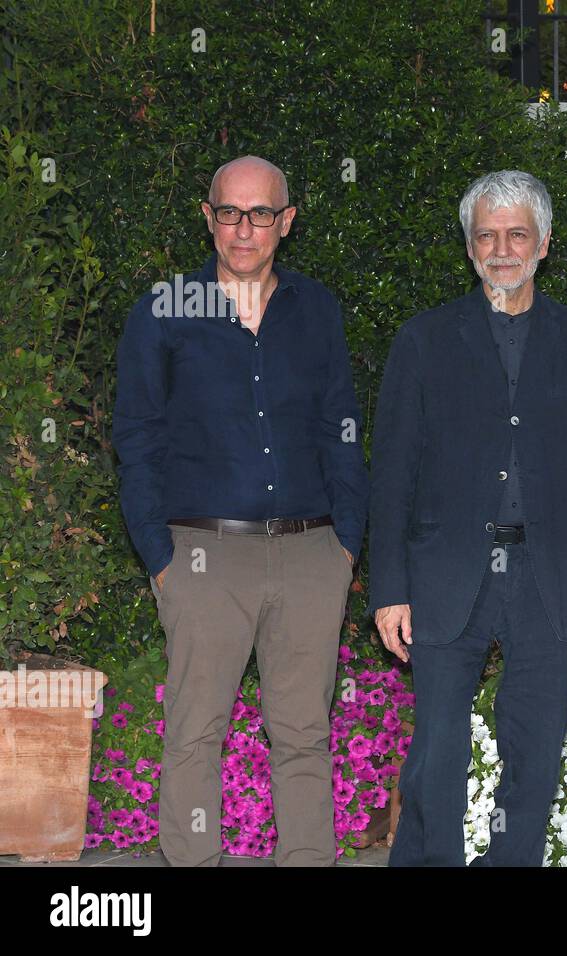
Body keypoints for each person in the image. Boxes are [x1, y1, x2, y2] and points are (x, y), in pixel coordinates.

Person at [113, 155, 368, 866]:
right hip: (201, 556)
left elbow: (339, 425)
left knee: (304, 734)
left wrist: (347, 541)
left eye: (261, 213)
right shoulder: (165, 309)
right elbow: (137, 436)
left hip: (312, 551)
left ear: (286, 222)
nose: (244, 228)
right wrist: (160, 559)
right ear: (208, 217)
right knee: (195, 732)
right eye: (229, 212)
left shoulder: (315, 309)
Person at [369, 170, 567, 866]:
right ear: (469, 246)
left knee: (536, 752)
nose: (502, 247)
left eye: (517, 234)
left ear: (544, 243)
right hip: (446, 572)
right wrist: (388, 587)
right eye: (487, 234)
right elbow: (391, 473)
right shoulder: (423, 340)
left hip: (552, 579)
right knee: (439, 749)